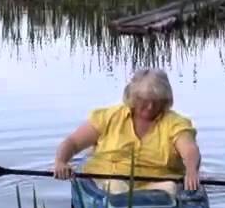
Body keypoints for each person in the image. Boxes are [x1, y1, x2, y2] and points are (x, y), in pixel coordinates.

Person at [52, 68, 201, 193]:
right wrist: (61, 162)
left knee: (170, 188)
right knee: (116, 187)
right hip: (109, 180)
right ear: (133, 97)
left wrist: (191, 170)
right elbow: (73, 142)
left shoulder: (176, 123)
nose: (150, 107)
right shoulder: (108, 116)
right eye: (144, 100)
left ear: (165, 100)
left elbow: (189, 149)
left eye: (156, 101)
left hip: (157, 184)